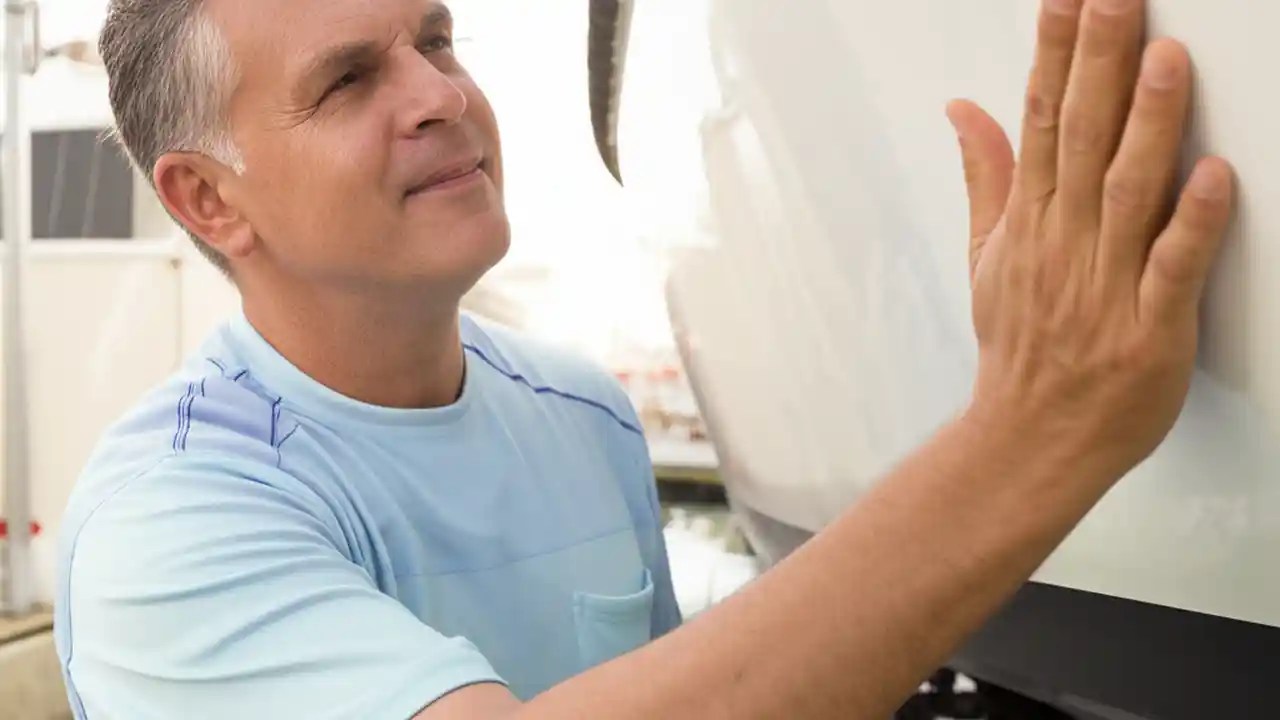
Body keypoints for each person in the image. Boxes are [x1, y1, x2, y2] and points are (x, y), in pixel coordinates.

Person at [53, 0, 1236, 717]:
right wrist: (1032, 429)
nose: (442, 94)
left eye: (437, 40)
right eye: (348, 79)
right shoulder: (171, 520)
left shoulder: (579, 411)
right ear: (209, 200)